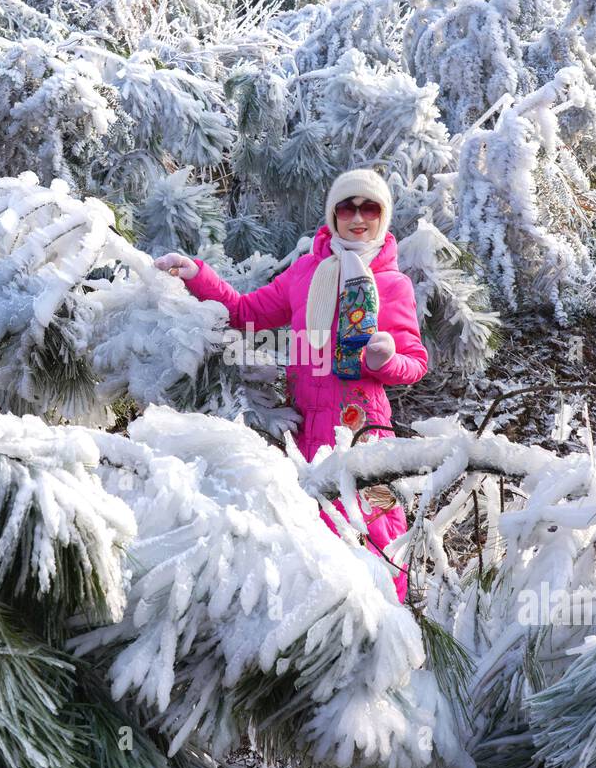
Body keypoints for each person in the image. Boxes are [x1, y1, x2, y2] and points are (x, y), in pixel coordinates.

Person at [153, 168, 428, 603]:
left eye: (370, 207)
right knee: (310, 539)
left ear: (384, 216)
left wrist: (384, 359)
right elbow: (245, 313)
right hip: (302, 429)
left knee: (373, 532)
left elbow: (414, 363)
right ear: (333, 215)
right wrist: (195, 274)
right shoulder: (305, 272)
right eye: (347, 206)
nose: (359, 217)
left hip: (362, 428)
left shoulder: (391, 284)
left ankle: (391, 624)